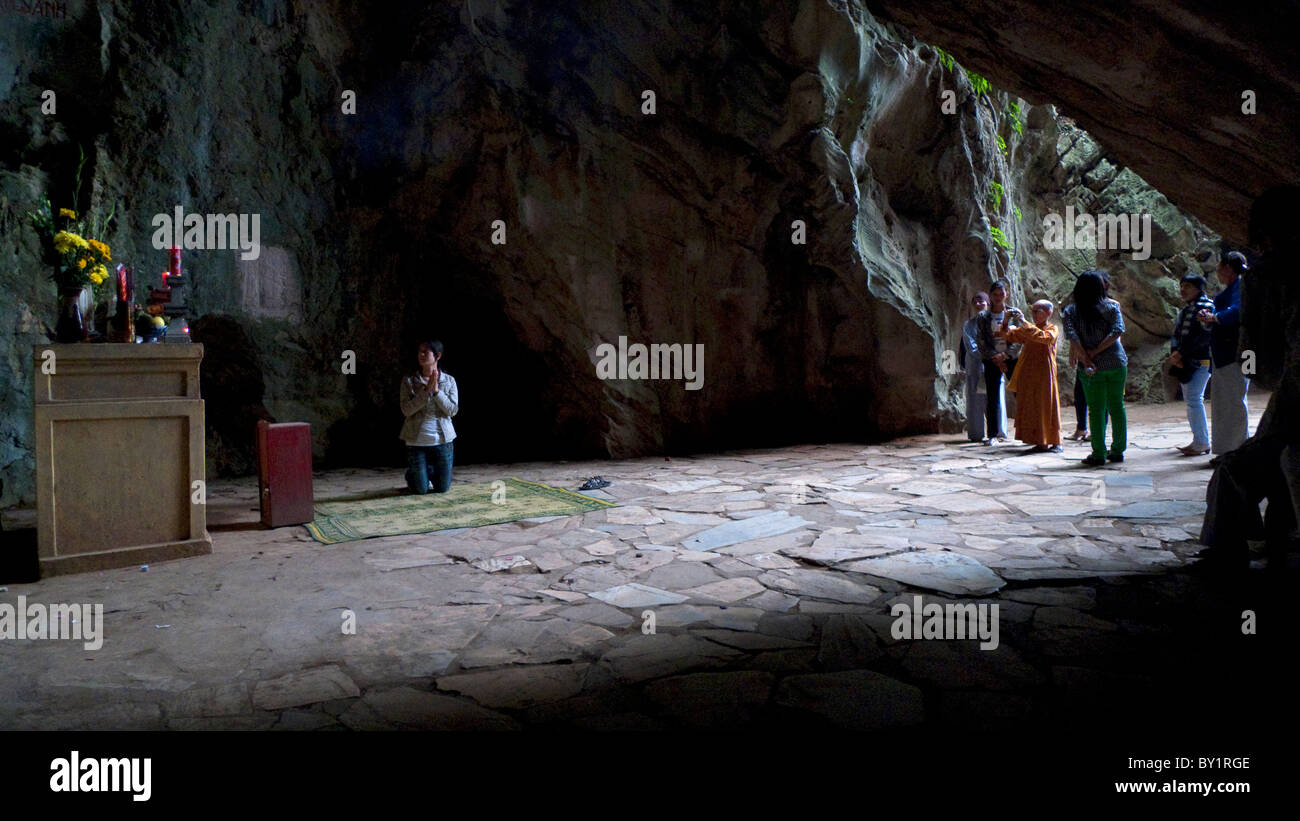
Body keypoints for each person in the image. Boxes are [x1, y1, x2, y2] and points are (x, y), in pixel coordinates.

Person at [1199, 184, 1300, 569]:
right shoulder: (1261, 278)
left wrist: (1257, 373)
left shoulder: (1264, 278)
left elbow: (1255, 357)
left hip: (1294, 395)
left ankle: (1225, 551)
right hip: (1291, 392)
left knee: (1239, 469)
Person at [1066, 270, 1127, 466]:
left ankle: (1098, 453)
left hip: (1090, 367)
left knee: (1096, 409)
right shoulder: (1111, 307)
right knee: (1117, 406)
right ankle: (1118, 450)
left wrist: (1086, 355)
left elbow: (1072, 335)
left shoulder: (1071, 311)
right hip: (1116, 362)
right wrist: (1098, 349)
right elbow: (1118, 330)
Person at [1197, 251, 1250, 454]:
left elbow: (1237, 312)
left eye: (1220, 268)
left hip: (1237, 353)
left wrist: (1213, 317)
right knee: (1229, 400)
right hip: (1232, 353)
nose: (1218, 273)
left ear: (1228, 269)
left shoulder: (1242, 288)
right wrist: (1211, 317)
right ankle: (1228, 449)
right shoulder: (1231, 291)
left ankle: (1234, 450)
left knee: (1233, 400)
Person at [996, 300, 1062, 452]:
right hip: (1028, 373)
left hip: (1045, 373)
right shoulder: (1028, 329)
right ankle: (1039, 441)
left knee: (1047, 405)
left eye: (1038, 311)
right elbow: (1007, 335)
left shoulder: (1052, 328)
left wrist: (1024, 321)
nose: (1034, 314)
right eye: (1033, 310)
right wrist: (1006, 319)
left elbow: (1044, 338)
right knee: (1032, 406)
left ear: (1048, 313)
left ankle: (1054, 441)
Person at [399, 339, 459, 494]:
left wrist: (437, 392)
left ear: (437, 356)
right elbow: (406, 410)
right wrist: (426, 391)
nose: (421, 354)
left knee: (442, 488)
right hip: (416, 442)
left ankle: (426, 471)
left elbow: (452, 410)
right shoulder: (409, 381)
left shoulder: (449, 381)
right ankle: (416, 473)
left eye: (426, 351)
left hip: (443, 441)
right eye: (420, 351)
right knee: (420, 490)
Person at [1168, 274, 1217, 456]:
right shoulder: (1187, 309)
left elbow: (1203, 337)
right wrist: (1175, 352)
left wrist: (1180, 353)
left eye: (1187, 286)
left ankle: (1201, 442)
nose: (1182, 290)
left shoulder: (1205, 308)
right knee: (1193, 399)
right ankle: (1200, 440)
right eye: (1181, 285)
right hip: (1186, 360)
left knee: (1194, 400)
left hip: (1199, 361)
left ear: (1199, 288)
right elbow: (1177, 333)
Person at [1066, 271, 1115, 441]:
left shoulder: (1111, 305)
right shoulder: (1077, 308)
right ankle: (1081, 428)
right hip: (1084, 355)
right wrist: (1075, 353)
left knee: (1104, 397)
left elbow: (1116, 333)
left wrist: (1094, 353)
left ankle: (1099, 430)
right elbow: (1074, 334)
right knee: (1080, 392)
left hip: (1106, 357)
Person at [975, 281, 1020, 445]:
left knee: (1019, 393)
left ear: (1006, 294)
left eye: (1002, 294)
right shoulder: (983, 316)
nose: (998, 298)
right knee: (992, 396)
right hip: (991, 359)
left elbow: (1020, 337)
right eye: (995, 295)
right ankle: (992, 435)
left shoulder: (1014, 314)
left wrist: (1006, 355)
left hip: (1011, 359)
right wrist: (995, 357)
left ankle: (1027, 430)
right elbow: (981, 341)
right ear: (990, 296)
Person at [960, 292, 1005, 442]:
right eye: (976, 302)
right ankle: (976, 433)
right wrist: (988, 356)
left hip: (994, 364)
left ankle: (999, 432)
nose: (979, 305)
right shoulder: (968, 325)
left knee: (996, 398)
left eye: (982, 302)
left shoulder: (994, 321)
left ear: (988, 303)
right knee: (975, 401)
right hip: (975, 365)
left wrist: (996, 356)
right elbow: (971, 346)